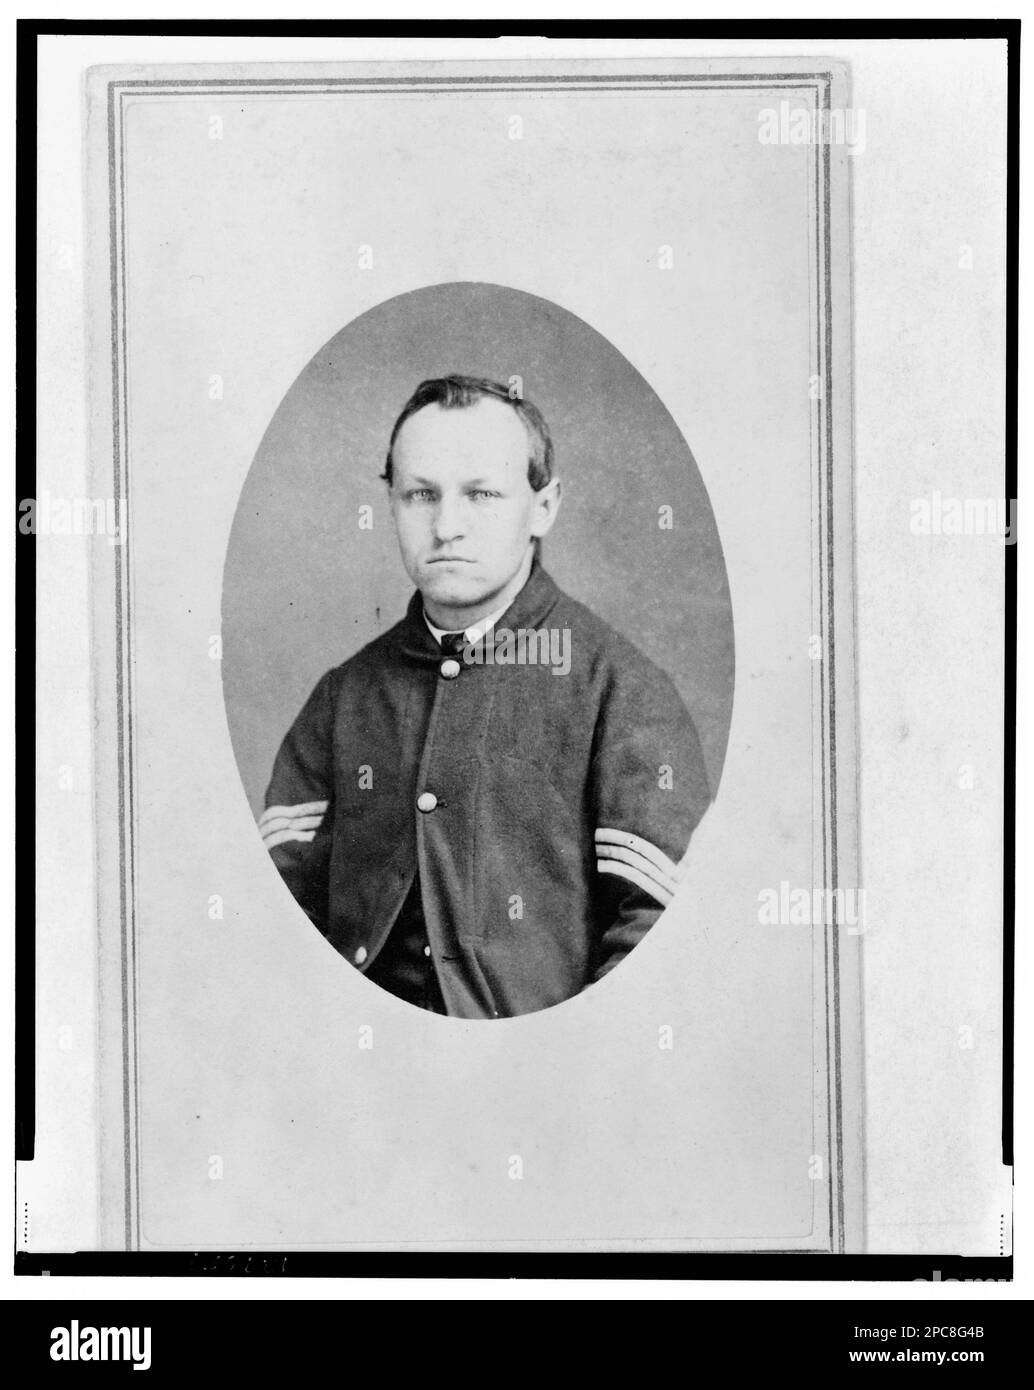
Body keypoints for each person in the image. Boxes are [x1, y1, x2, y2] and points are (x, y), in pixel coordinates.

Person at [259, 375, 712, 1018]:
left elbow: (661, 934)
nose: (446, 526)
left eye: (481, 494)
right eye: (421, 494)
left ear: (544, 506)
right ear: (390, 501)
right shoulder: (345, 696)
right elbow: (277, 914)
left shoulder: (620, 691)